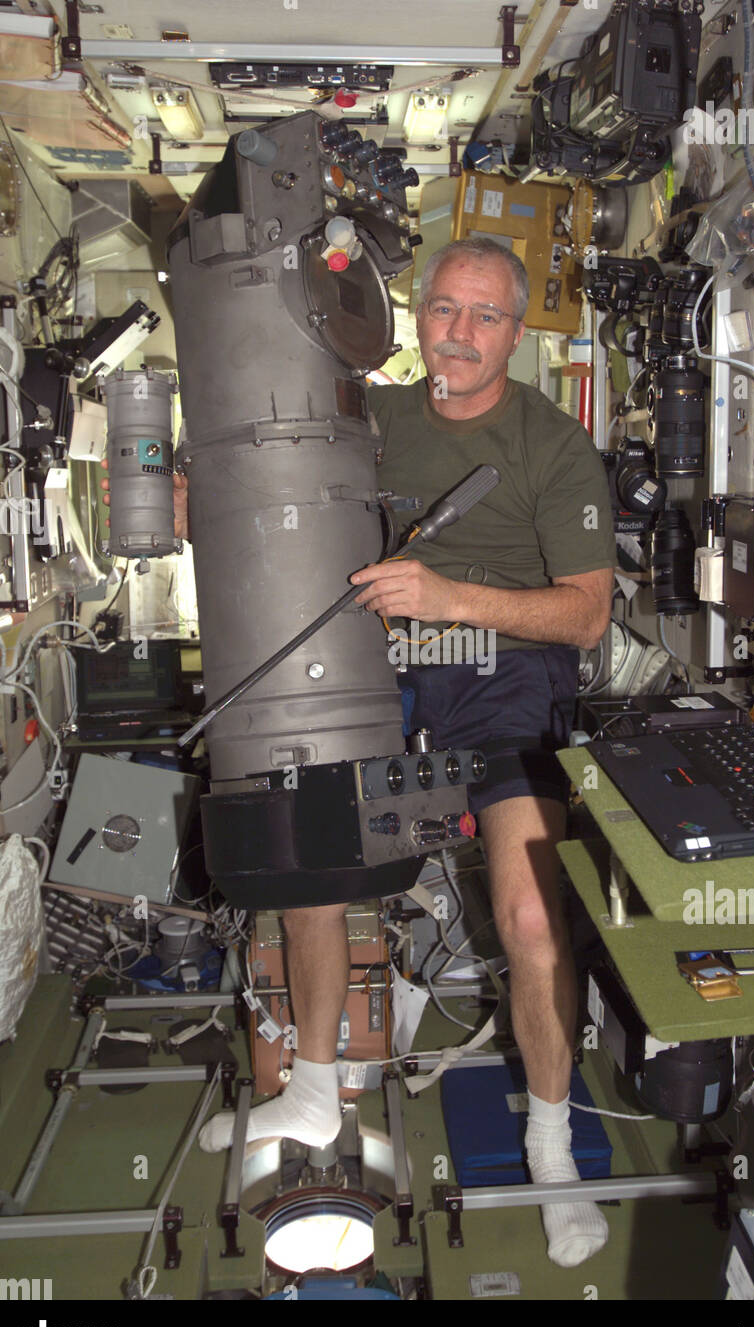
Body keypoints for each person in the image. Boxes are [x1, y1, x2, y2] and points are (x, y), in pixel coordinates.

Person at [189, 237, 617, 1267]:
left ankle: (550, 1144)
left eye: (483, 317)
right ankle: (309, 1092)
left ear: (515, 333)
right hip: (382, 681)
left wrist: (445, 598)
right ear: (415, 318)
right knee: (311, 879)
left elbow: (587, 616)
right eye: (442, 312)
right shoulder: (371, 422)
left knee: (528, 922)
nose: (457, 336)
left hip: (504, 682)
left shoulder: (552, 446)